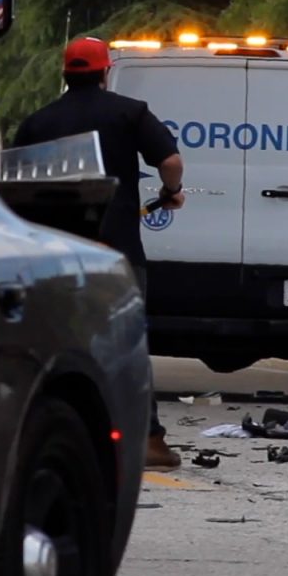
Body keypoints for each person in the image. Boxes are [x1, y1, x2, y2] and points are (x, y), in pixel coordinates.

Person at [12, 36, 188, 471]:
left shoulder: (37, 123)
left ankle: (54, 434)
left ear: (65, 74)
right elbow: (171, 161)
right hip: (117, 252)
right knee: (126, 342)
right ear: (105, 72)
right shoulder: (130, 112)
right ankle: (148, 441)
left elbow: (14, 184)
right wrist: (171, 192)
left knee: (58, 342)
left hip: (55, 254)